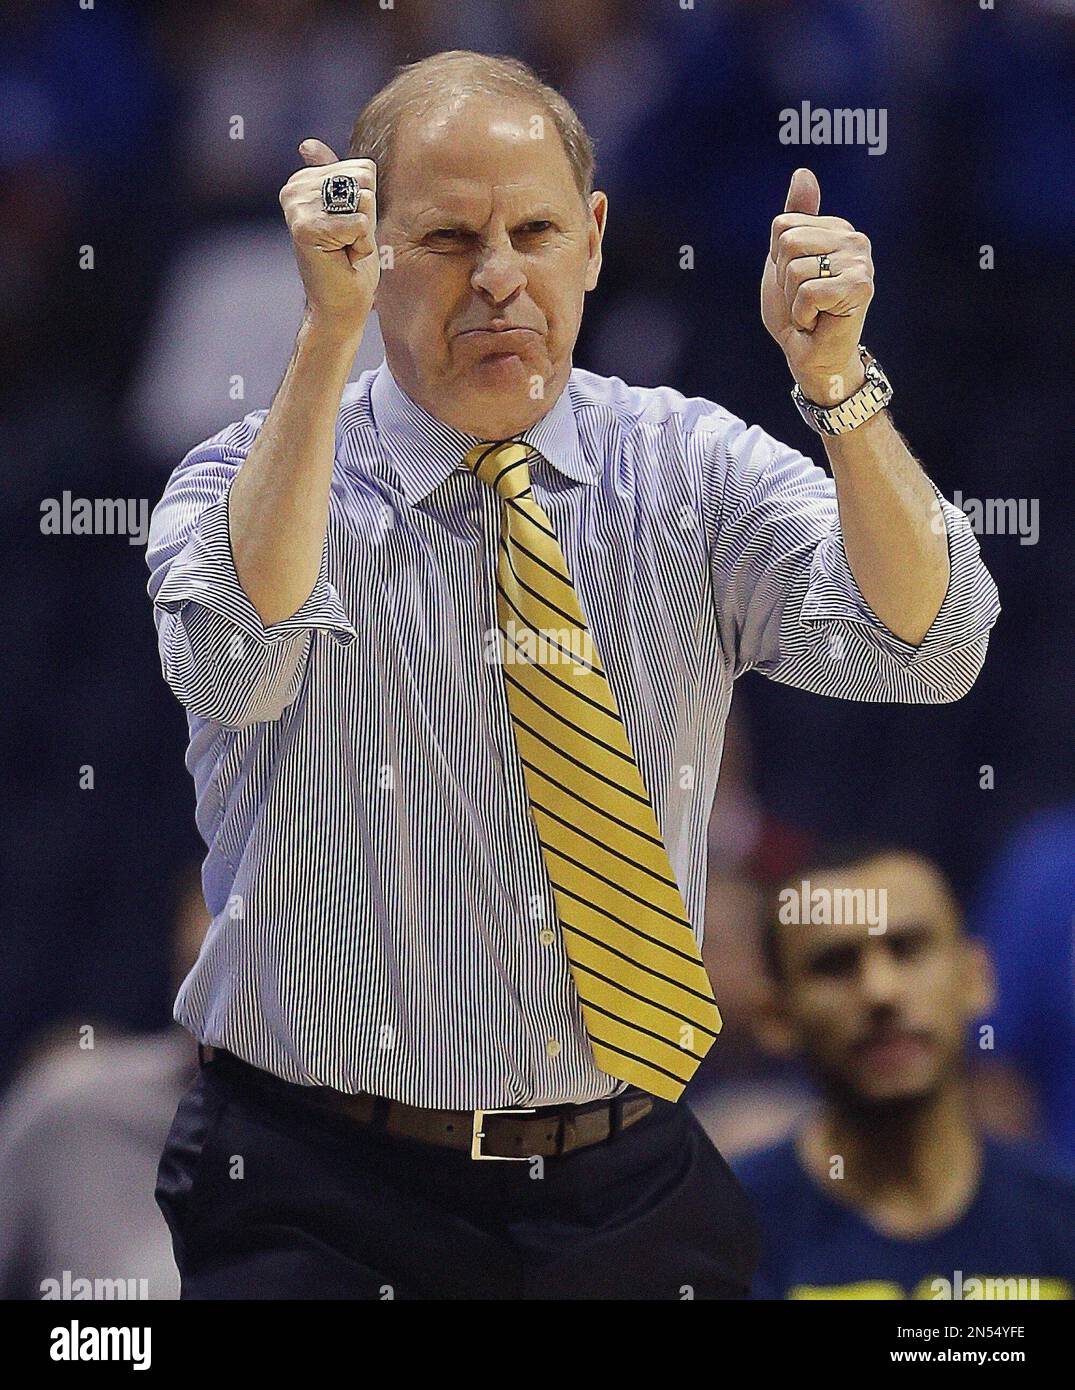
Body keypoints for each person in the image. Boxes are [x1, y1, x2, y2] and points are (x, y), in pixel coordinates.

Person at [146, 50, 999, 1299]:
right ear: (366, 251)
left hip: (625, 1186)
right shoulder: (241, 477)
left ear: (592, 240)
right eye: (444, 238)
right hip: (318, 1188)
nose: (500, 278)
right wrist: (326, 348)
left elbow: (930, 644)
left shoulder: (687, 467)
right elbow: (232, 662)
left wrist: (839, 391)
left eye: (534, 231)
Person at [735, 846, 1075, 1300]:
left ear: (976, 978)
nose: (881, 991)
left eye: (908, 949)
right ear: (775, 1017)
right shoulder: (726, 1234)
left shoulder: (1062, 1219)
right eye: (835, 964)